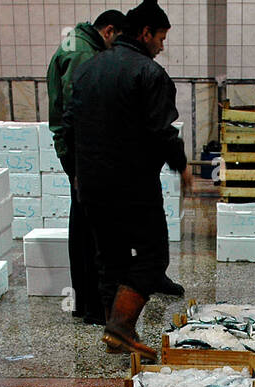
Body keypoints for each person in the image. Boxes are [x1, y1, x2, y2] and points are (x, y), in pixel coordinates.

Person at [67, 0, 193, 359]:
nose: (162, 47)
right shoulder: (149, 74)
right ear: (145, 33)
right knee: (154, 256)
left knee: (111, 258)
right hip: (133, 185)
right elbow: (161, 131)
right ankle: (120, 327)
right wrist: (182, 165)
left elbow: (69, 124)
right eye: (161, 38)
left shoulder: (87, 70)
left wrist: (76, 172)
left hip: (92, 184)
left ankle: (116, 333)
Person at [48, 9, 125, 326]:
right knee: (91, 231)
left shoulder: (78, 43)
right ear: (108, 31)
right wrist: (82, 164)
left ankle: (85, 302)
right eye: (118, 40)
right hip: (80, 152)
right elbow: (76, 110)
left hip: (77, 151)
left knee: (82, 225)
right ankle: (93, 305)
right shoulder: (83, 53)